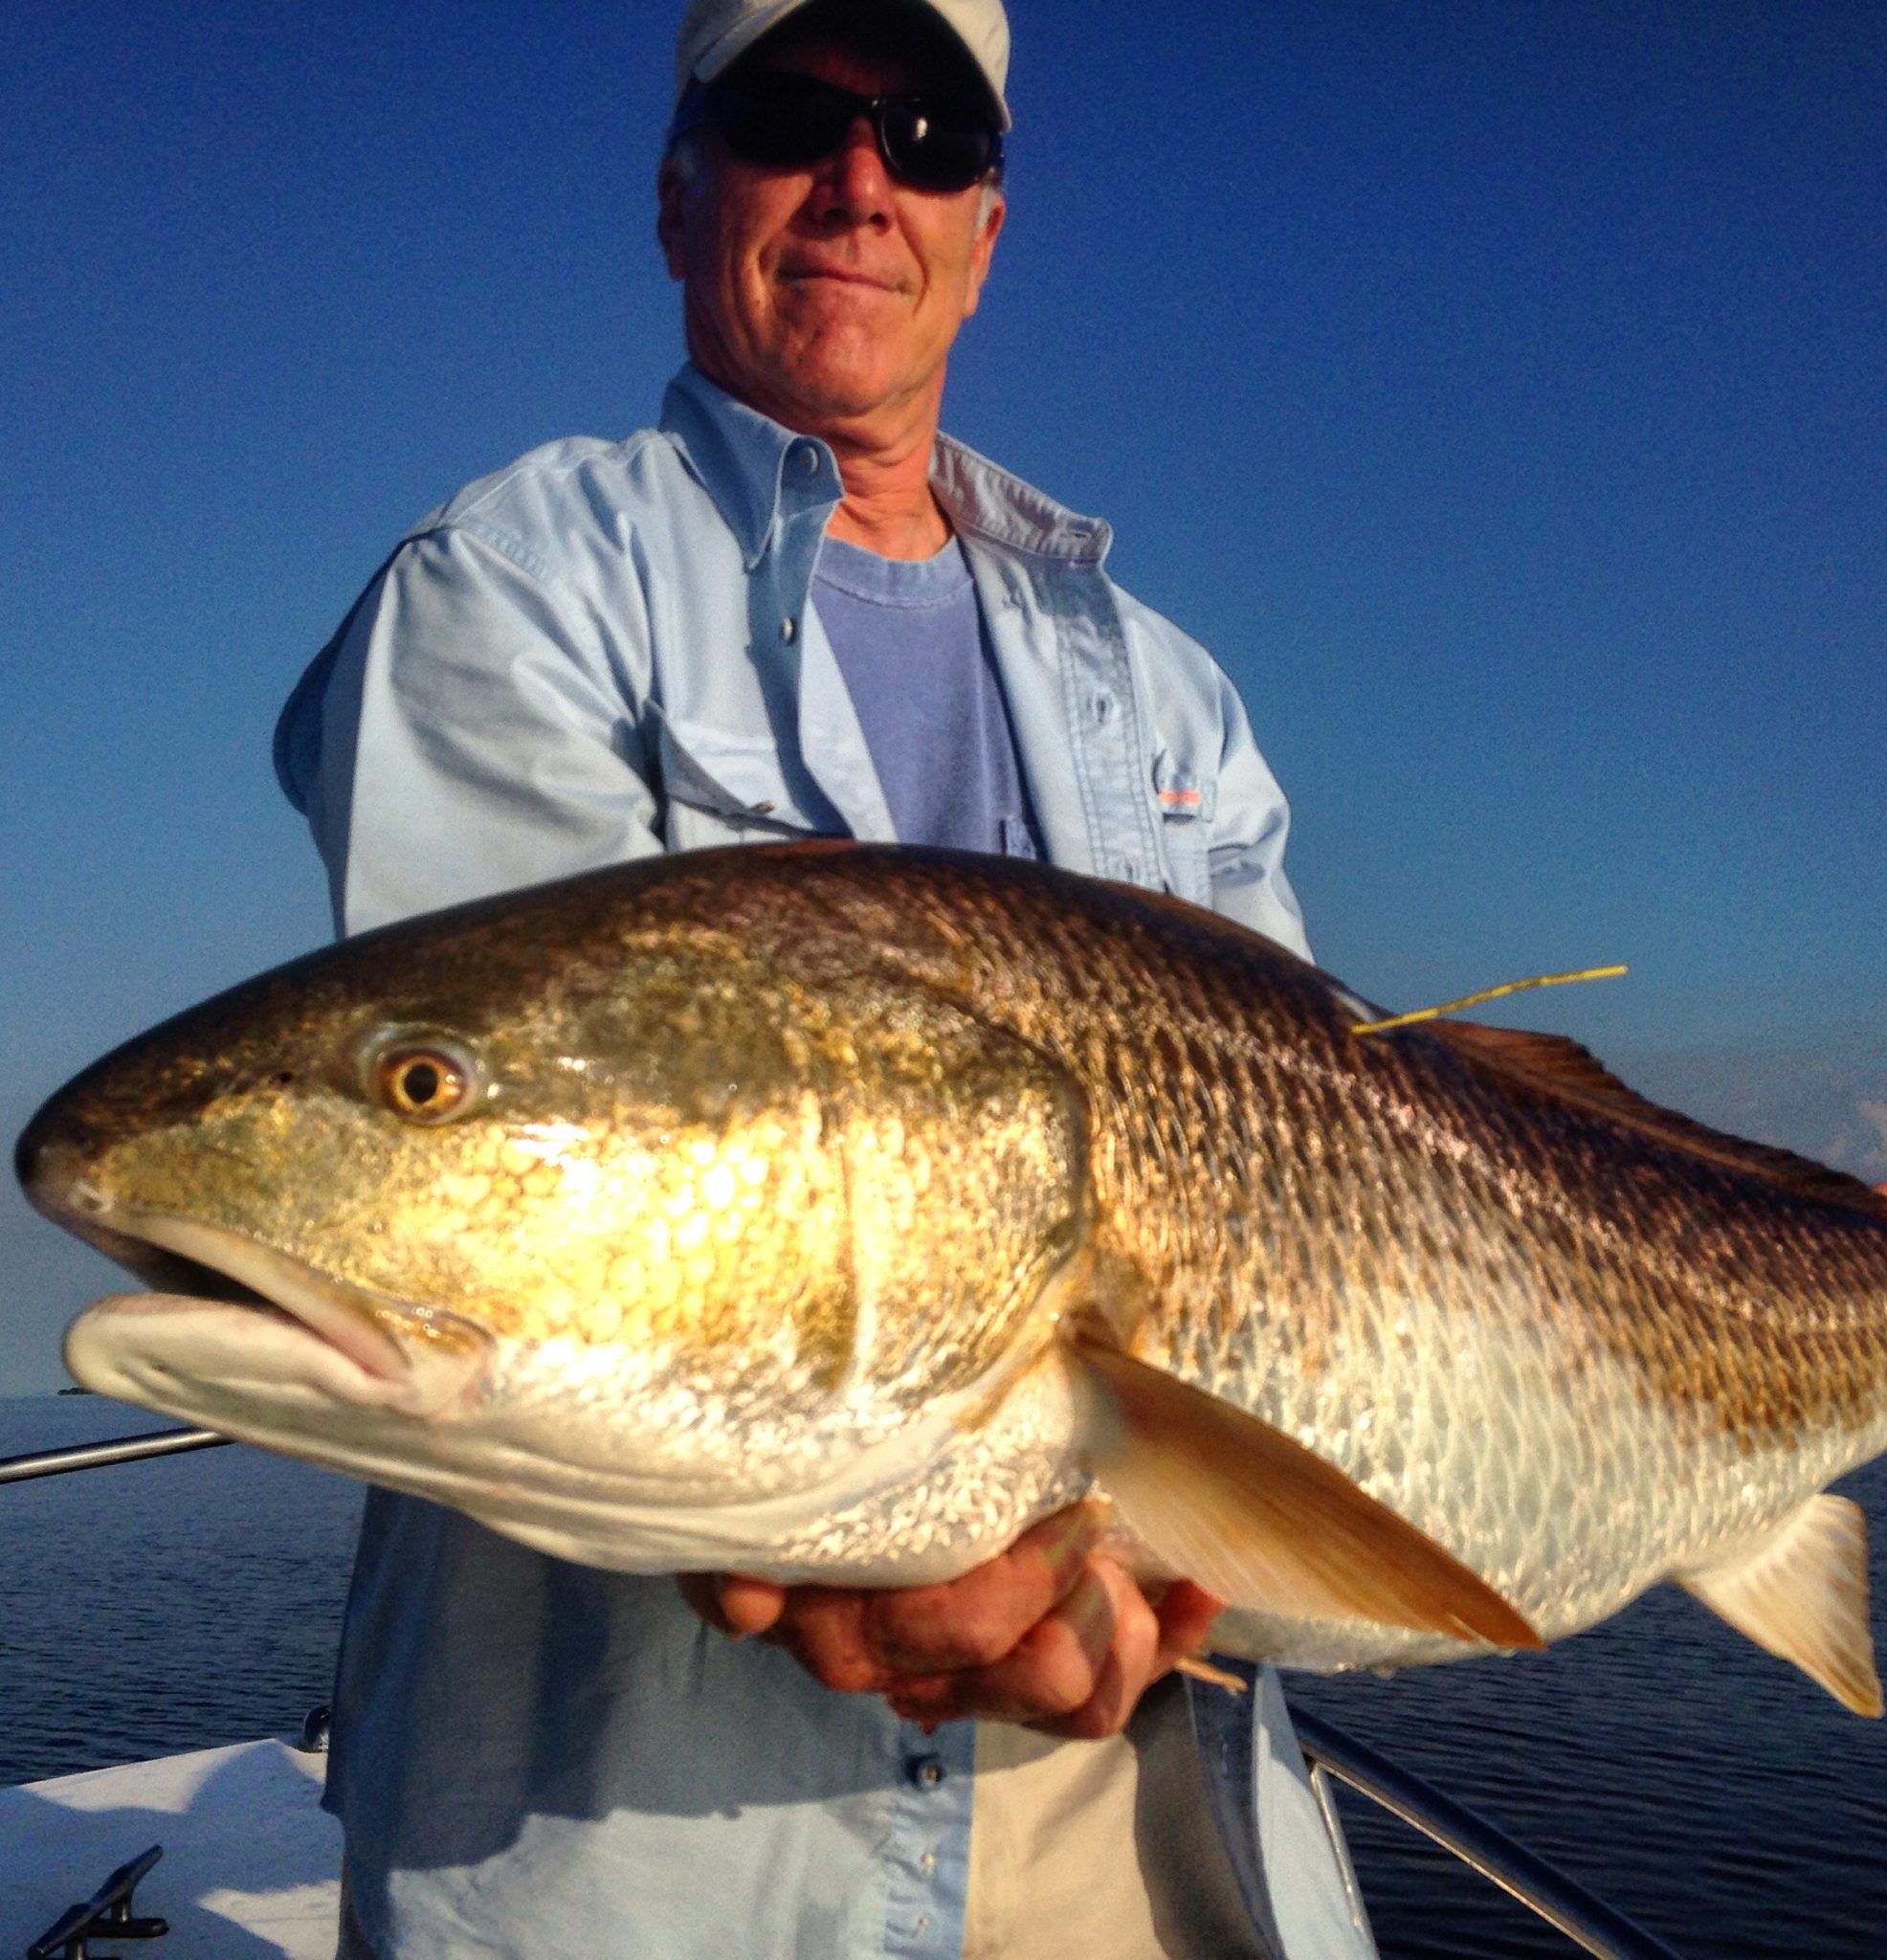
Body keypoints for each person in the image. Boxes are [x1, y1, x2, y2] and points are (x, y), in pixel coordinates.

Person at [276, 1, 1379, 1954]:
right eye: (792, 115)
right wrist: (917, 1552)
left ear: (988, 225)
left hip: (1152, 1798)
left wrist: (1809, 1252)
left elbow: (1329, 1205)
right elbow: (527, 1234)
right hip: (660, 1849)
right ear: (679, 187)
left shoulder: (1172, 685)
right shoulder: (517, 585)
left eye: (931, 130)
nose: (862, 180)